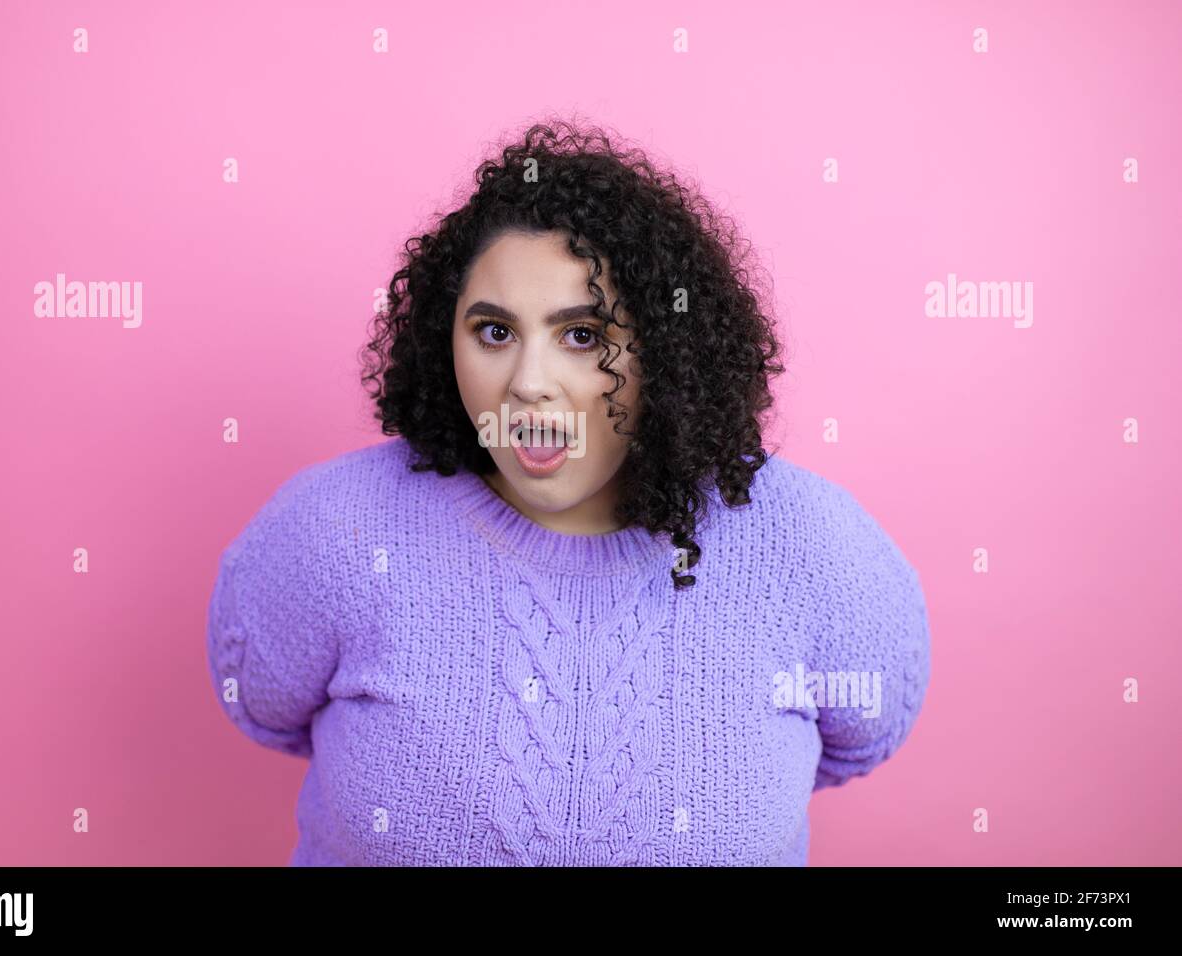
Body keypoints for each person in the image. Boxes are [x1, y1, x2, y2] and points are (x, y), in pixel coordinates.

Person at [206, 116, 931, 866]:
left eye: (582, 335)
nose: (527, 384)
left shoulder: (816, 551)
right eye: (493, 332)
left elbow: (860, 734)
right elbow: (261, 698)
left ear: (667, 350)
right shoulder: (332, 532)